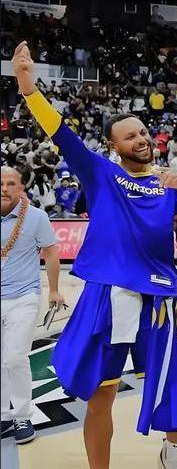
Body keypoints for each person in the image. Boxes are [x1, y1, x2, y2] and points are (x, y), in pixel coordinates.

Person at [12, 41, 177, 469]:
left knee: (173, 385)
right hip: (108, 294)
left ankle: (173, 450)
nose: (141, 140)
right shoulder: (101, 173)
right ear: (113, 146)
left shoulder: (168, 181)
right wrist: (28, 86)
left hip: (160, 296)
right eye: (130, 136)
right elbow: (60, 132)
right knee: (100, 394)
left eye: (143, 133)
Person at [1, 166, 65, 444]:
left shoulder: (36, 217)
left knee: (15, 357)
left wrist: (54, 290)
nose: (4, 188)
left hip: (23, 296)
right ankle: (3, 416)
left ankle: (22, 415)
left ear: (21, 188)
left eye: (10, 183)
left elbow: (50, 252)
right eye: (0, 183)